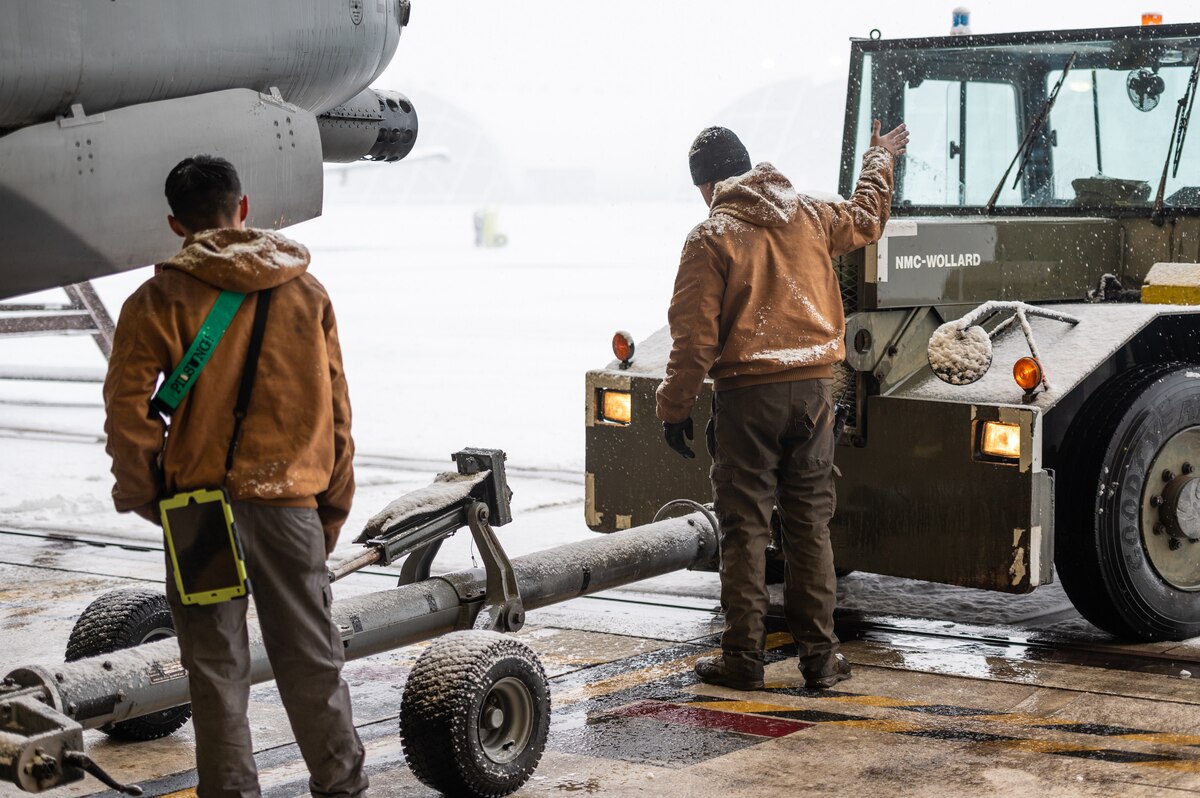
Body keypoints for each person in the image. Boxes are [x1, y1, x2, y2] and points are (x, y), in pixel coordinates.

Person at [103, 155, 366, 797]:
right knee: (313, 664)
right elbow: (336, 414)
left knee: (217, 674)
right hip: (289, 504)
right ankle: (343, 789)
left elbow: (127, 411)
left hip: (198, 508)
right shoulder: (306, 293)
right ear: (243, 210)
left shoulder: (158, 299)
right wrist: (326, 510)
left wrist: (151, 496)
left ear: (175, 222)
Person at [656, 122, 907, 691]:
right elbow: (868, 216)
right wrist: (877, 158)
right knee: (808, 529)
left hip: (749, 398)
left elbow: (694, 340)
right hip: (817, 393)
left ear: (706, 183)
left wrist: (674, 409)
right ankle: (820, 658)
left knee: (744, 530)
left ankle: (743, 659)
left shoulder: (711, 236)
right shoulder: (811, 214)